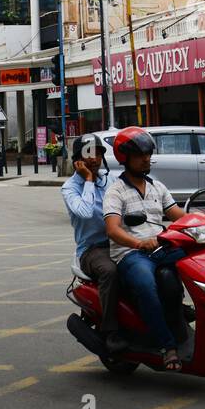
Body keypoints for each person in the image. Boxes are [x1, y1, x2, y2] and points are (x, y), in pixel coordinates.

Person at [104, 127, 189, 370]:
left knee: (198, 262)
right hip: (132, 254)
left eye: (148, 154)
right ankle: (167, 346)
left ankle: (181, 314)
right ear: (125, 158)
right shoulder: (116, 191)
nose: (146, 159)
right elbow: (112, 230)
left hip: (160, 249)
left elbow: (178, 215)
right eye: (140, 155)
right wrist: (139, 243)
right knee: (145, 285)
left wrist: (203, 220)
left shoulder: (157, 187)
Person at [62, 134, 123, 351]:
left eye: (97, 153)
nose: (94, 159)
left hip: (120, 241)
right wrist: (88, 180)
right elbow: (86, 212)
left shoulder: (112, 180)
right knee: (109, 271)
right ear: (78, 160)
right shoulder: (70, 188)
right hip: (92, 249)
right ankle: (110, 329)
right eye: (88, 154)